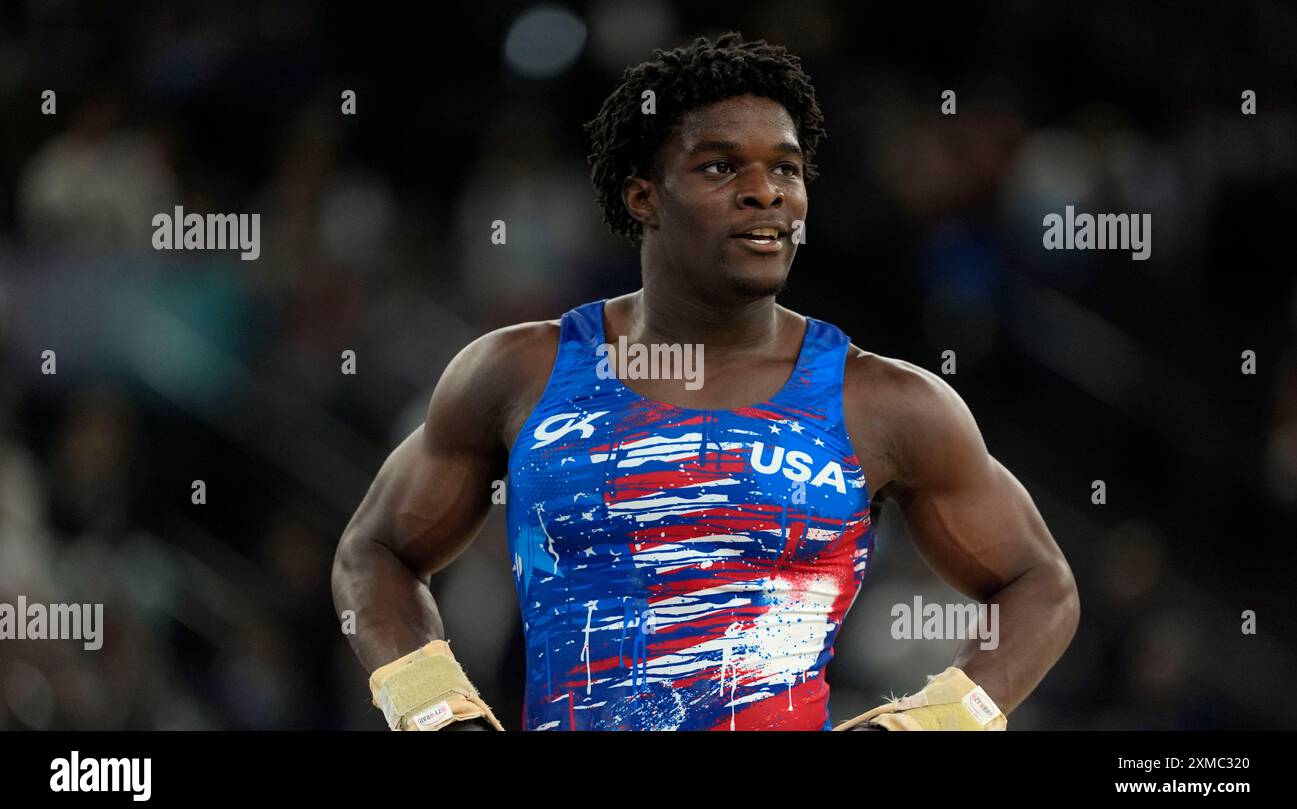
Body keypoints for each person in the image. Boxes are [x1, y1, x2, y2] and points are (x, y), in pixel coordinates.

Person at [332, 31, 1079, 731]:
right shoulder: (518, 370)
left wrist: (936, 718)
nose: (767, 192)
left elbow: (1040, 581)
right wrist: (434, 707)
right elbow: (375, 550)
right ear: (642, 196)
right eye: (722, 166)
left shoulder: (884, 401)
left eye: (785, 167)